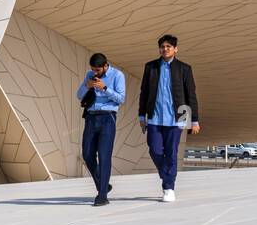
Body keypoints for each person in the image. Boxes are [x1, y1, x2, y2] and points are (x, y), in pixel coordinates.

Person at [137, 34, 200, 202]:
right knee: (155, 149)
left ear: (175, 49)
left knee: (171, 152)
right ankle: (167, 175)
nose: (165, 49)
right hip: (155, 117)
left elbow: (191, 95)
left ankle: (169, 187)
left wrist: (194, 120)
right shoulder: (151, 67)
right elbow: (144, 92)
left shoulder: (184, 68)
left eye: (168, 47)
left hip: (178, 116)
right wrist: (141, 115)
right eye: (162, 47)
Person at [77, 52, 125, 206]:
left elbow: (121, 98)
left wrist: (105, 88)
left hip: (108, 117)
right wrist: (87, 85)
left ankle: (102, 195)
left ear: (105, 65)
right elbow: (79, 95)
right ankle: (104, 185)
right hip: (91, 117)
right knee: (87, 154)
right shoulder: (89, 75)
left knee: (104, 156)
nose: (95, 72)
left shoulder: (117, 75)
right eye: (93, 69)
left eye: (98, 70)